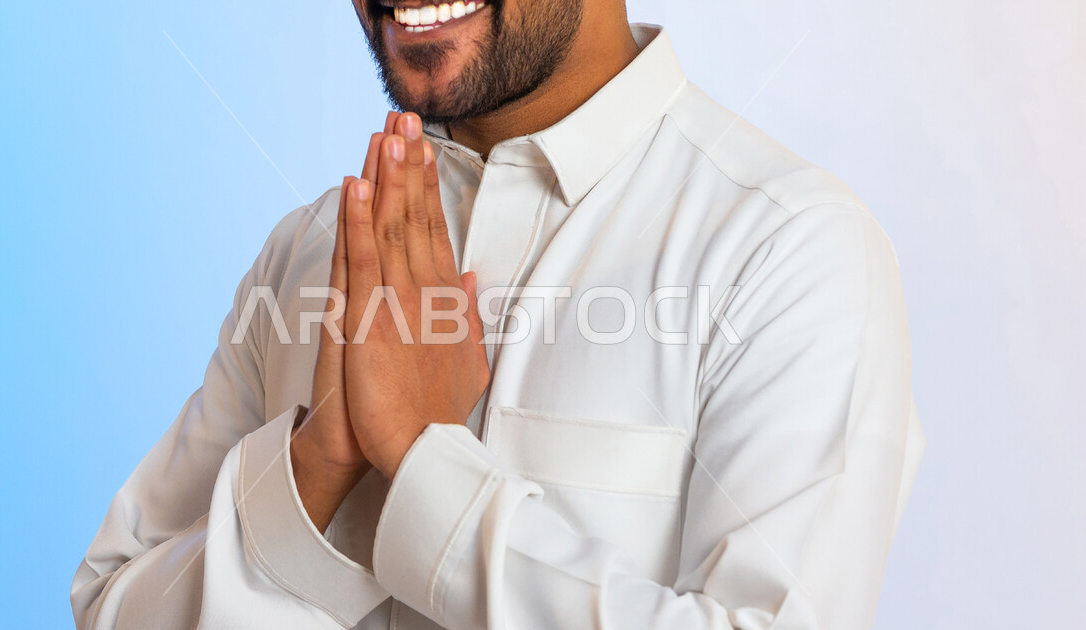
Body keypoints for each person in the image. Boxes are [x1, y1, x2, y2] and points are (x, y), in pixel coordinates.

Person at [72, 1, 926, 628]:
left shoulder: (785, 249)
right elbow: (111, 601)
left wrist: (420, 464)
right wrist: (320, 464)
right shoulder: (309, 253)